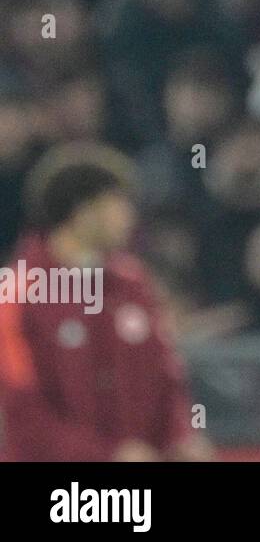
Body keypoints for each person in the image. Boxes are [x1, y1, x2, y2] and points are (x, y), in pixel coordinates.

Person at [0, 142, 214, 461]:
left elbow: (167, 379)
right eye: (118, 204)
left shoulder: (133, 283)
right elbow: (21, 412)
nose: (129, 217)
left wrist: (181, 438)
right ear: (82, 211)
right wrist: (104, 455)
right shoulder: (16, 295)